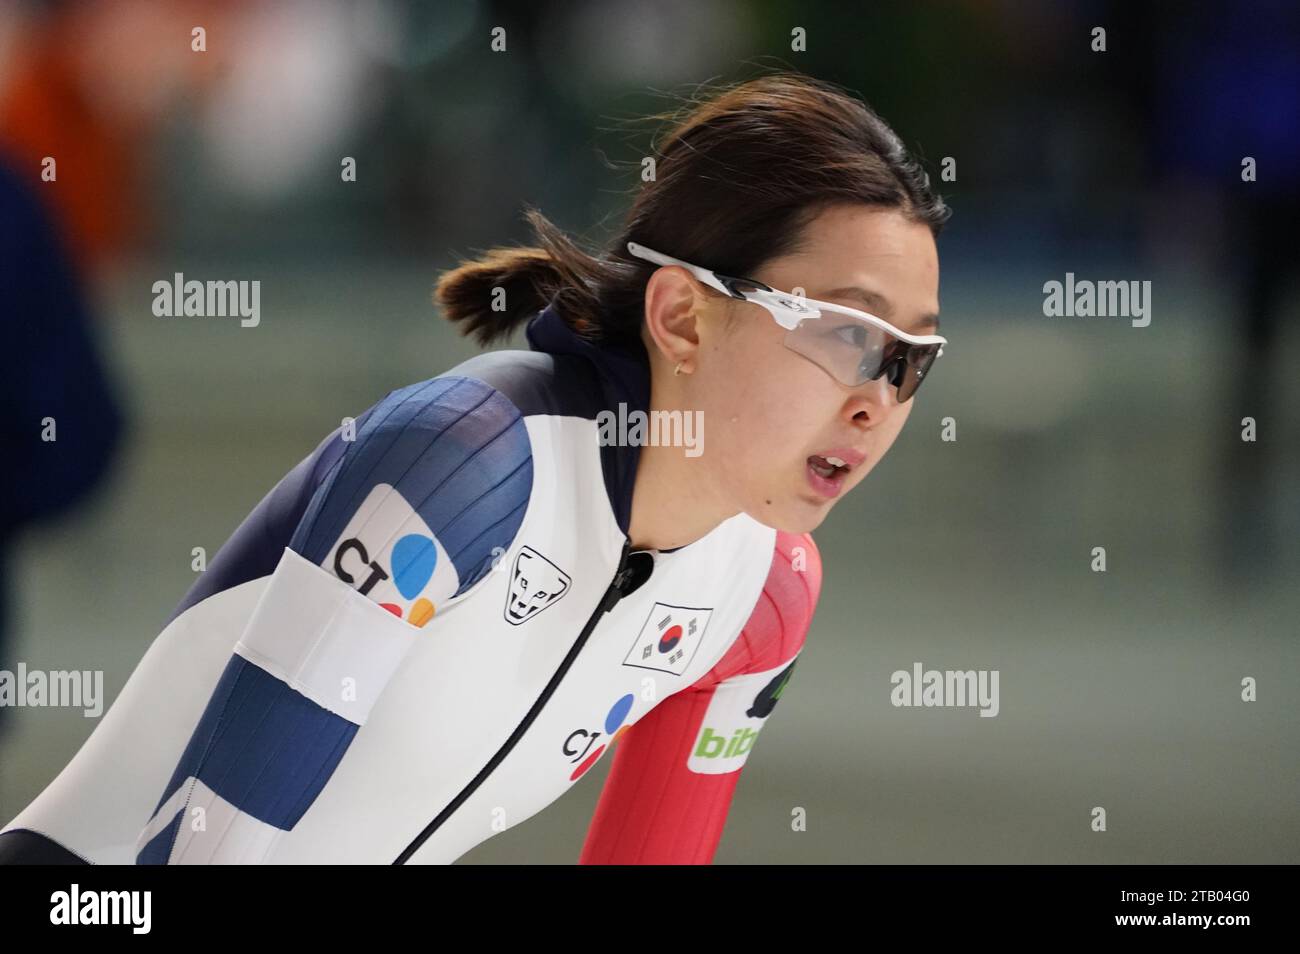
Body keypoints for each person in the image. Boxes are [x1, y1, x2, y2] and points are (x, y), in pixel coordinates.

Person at [0, 71, 948, 865]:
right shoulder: (467, 461)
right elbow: (204, 851)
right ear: (682, 318)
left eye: (911, 360)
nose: (878, 401)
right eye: (848, 334)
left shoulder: (768, 591)